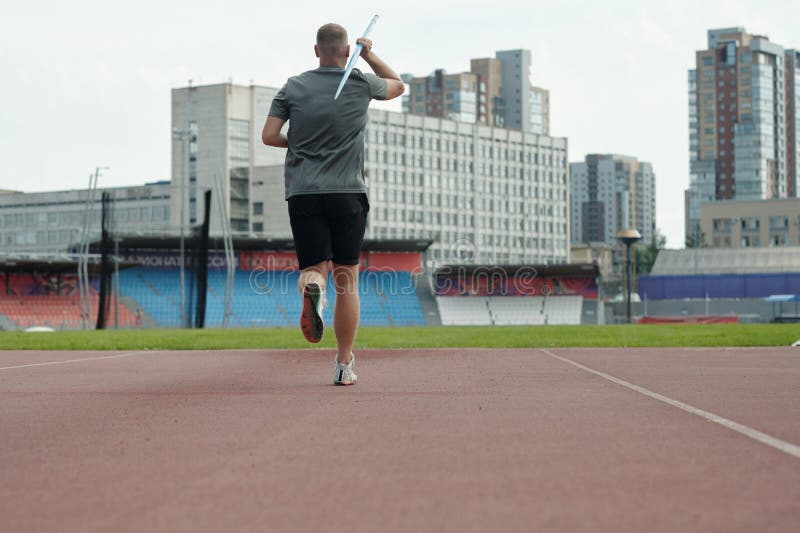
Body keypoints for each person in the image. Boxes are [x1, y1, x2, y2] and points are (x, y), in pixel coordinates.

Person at [262, 23, 404, 385]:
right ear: (346, 51)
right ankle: (344, 366)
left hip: (304, 192)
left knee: (313, 269)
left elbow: (269, 136)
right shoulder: (360, 82)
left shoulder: (293, 87)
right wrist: (368, 54)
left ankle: (315, 290)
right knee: (348, 282)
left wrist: (299, 145)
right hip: (348, 193)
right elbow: (398, 85)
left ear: (315, 51)